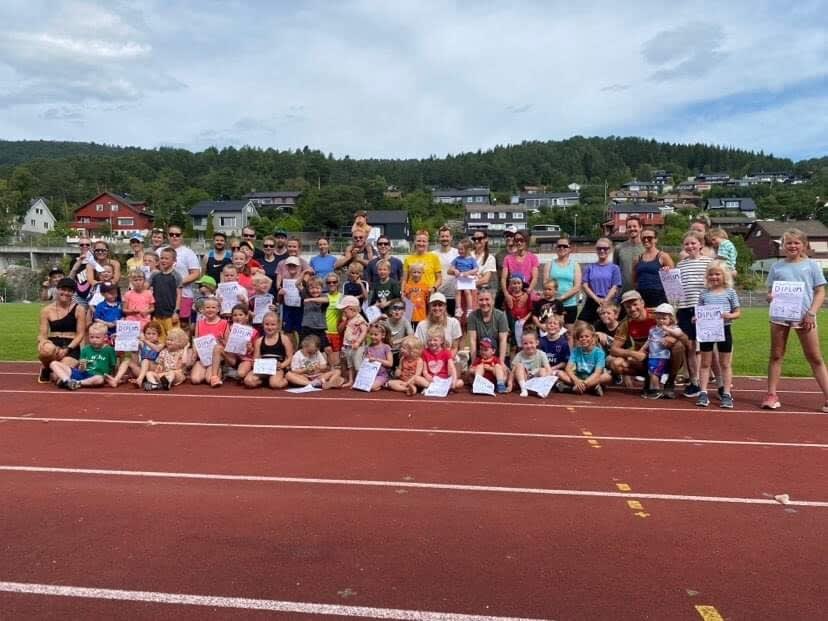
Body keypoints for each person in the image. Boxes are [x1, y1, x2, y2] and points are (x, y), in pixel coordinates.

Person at [763, 228, 828, 412]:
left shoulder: (812, 266)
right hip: (780, 316)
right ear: (783, 246)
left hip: (805, 316)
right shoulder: (777, 267)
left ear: (804, 245)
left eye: (796, 243)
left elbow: (820, 291)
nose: (792, 246)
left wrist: (811, 312)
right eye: (788, 243)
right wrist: (770, 297)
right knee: (776, 355)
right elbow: (770, 291)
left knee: (815, 357)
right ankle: (771, 395)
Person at [609, 290, 685, 398]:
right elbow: (613, 349)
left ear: (642, 303)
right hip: (644, 359)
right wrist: (633, 354)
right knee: (616, 364)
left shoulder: (657, 315)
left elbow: (684, 335)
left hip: (664, 357)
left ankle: (670, 382)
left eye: (635, 304)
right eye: (628, 306)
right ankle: (649, 379)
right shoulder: (626, 323)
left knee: (679, 345)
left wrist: (674, 337)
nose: (632, 309)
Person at [696, 262, 741, 408]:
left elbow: (738, 313)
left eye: (717, 274)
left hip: (724, 330)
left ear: (724, 276)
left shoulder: (730, 292)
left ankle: (726, 393)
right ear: (707, 276)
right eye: (711, 274)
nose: (714, 277)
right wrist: (696, 318)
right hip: (707, 332)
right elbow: (699, 311)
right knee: (705, 363)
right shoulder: (704, 293)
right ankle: (703, 392)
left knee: (725, 364)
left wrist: (730, 315)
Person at [676, 232, 714, 398]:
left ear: (700, 245)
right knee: (689, 347)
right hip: (684, 308)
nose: (690, 247)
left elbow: (715, 283)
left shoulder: (709, 262)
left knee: (706, 348)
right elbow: (675, 289)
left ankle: (718, 382)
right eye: (687, 244)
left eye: (693, 243)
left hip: (704, 309)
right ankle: (694, 381)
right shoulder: (680, 265)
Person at [36, 278, 87, 382]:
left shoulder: (79, 309)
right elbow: (43, 334)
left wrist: (68, 349)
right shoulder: (46, 310)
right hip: (54, 343)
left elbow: (80, 334)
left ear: (73, 293)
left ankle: (49, 371)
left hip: (72, 345)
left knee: (59, 374)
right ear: (57, 290)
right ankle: (47, 366)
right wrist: (43, 343)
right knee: (47, 349)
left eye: (70, 291)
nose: (66, 293)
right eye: (63, 289)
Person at [640, 303, 690, 400]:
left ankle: (656, 390)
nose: (661, 321)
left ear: (671, 319)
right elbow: (649, 340)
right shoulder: (653, 329)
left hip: (662, 356)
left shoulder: (672, 328)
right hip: (652, 355)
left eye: (664, 318)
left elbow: (680, 334)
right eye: (658, 318)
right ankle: (653, 388)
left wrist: (668, 330)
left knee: (654, 373)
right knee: (652, 373)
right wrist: (642, 349)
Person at [50, 321, 116, 390]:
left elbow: (113, 366)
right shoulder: (85, 349)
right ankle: (67, 381)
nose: (94, 340)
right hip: (83, 374)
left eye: (97, 337)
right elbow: (81, 370)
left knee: (99, 379)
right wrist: (82, 366)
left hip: (96, 376)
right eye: (92, 337)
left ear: (105, 337)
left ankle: (77, 383)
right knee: (53, 363)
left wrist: (112, 378)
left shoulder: (109, 350)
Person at [558, 322, 611, 396]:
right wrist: (576, 380)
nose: (584, 339)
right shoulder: (576, 351)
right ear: (578, 339)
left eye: (587, 336)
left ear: (593, 337)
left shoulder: (599, 353)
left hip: (592, 378)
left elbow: (597, 373)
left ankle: (572, 389)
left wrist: (584, 383)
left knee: (607, 377)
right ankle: (592, 388)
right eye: (581, 337)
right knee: (560, 373)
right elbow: (568, 369)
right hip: (578, 378)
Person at [244, 311, 294, 390]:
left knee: (275, 384)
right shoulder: (259, 341)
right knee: (248, 381)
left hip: (278, 368)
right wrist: (255, 364)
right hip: (263, 368)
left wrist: (282, 365)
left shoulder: (284, 338)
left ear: (278, 325)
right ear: (263, 325)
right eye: (267, 324)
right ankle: (265, 381)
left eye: (273, 325)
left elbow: (290, 357)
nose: (269, 327)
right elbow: (256, 357)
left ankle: (286, 380)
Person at [167, 225, 201, 330]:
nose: (174, 237)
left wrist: (178, 283)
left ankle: (185, 345)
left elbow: (196, 273)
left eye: (177, 235)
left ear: (182, 237)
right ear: (167, 236)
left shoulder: (188, 253)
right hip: (164, 294)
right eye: (171, 234)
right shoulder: (160, 251)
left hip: (184, 294)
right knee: (167, 322)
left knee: (183, 324)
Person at [579, 238, 621, 324]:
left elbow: (615, 286)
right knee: (581, 325)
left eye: (605, 248)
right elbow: (585, 285)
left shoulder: (614, 268)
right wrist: (596, 299)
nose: (602, 250)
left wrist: (606, 300)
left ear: (610, 249)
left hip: (609, 302)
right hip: (592, 302)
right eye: (599, 248)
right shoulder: (589, 267)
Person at [189, 297, 229, 387]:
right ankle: (206, 371)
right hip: (202, 359)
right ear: (203, 309)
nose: (210, 310)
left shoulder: (224, 323)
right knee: (195, 380)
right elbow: (196, 340)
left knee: (208, 379)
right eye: (207, 307)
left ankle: (218, 371)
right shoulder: (199, 323)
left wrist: (222, 341)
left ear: (218, 309)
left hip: (216, 359)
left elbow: (228, 344)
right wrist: (194, 353)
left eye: (213, 307)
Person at [466, 288, 509, 367]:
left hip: (496, 356)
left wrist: (501, 362)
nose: (484, 303)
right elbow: (473, 341)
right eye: (481, 300)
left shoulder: (500, 316)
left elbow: (503, 340)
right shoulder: (473, 316)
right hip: (480, 356)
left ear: (493, 301)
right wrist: (474, 362)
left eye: (487, 299)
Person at [545, 236, 582, 328]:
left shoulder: (575, 265)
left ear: (570, 249)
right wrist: (555, 300)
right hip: (552, 305)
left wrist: (561, 298)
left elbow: (577, 286)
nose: (562, 248)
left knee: (569, 333)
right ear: (556, 248)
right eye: (559, 246)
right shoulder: (549, 264)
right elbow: (545, 284)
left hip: (570, 305)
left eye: (565, 246)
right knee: (552, 331)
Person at [632, 229, 674, 307]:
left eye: (649, 237)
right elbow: (634, 281)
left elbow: (673, 280)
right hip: (641, 297)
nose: (646, 240)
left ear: (656, 239)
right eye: (643, 238)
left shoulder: (663, 256)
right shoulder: (637, 259)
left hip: (659, 296)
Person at [149, 247, 182, 339]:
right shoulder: (155, 275)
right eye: (162, 258)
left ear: (174, 260)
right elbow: (146, 288)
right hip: (157, 314)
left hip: (170, 315)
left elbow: (179, 295)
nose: (163, 260)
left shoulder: (176, 276)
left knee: (174, 338)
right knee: (158, 339)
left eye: (167, 258)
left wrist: (176, 312)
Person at [507, 329, 551, 397]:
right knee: (519, 366)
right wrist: (510, 383)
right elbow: (513, 371)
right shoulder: (519, 355)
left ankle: (540, 389)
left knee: (543, 370)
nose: (529, 346)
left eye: (531, 343)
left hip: (536, 380)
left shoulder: (542, 354)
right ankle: (524, 389)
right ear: (522, 344)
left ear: (537, 343)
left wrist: (546, 382)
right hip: (524, 379)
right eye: (525, 343)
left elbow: (548, 369)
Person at [338, 295, 369, 388]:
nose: (344, 313)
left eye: (345, 311)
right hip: (348, 345)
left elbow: (364, 331)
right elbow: (340, 330)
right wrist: (344, 320)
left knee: (357, 364)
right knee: (350, 364)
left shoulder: (359, 319)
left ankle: (359, 381)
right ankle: (351, 380)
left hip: (357, 346)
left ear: (352, 309)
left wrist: (358, 342)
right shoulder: (348, 319)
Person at [421, 326, 464, 392]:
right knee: (417, 379)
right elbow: (424, 370)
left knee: (460, 382)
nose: (432, 342)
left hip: (444, 379)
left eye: (435, 340)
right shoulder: (425, 352)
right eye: (430, 340)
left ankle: (438, 388)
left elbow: (452, 368)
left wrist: (454, 380)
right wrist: (427, 375)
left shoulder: (446, 352)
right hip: (431, 380)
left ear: (441, 341)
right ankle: (436, 388)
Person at [449, 238, 479, 317]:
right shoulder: (457, 259)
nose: (460, 251)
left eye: (462, 249)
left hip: (468, 279)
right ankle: (458, 308)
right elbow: (451, 268)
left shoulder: (472, 259)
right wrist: (455, 270)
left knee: (467, 292)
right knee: (457, 292)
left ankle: (469, 309)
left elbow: (476, 269)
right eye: (459, 249)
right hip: (460, 278)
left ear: (468, 250)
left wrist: (468, 272)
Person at [613, 215, 643, 293]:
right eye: (629, 227)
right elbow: (615, 272)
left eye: (634, 226)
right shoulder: (618, 248)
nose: (632, 229)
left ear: (640, 227)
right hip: (623, 293)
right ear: (626, 229)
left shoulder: (646, 248)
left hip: (643, 292)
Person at [360, 322, 393, 391]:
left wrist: (376, 359)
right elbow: (364, 362)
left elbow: (390, 363)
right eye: (371, 334)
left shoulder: (386, 347)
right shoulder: (368, 347)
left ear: (383, 335)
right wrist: (366, 359)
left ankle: (383, 383)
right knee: (361, 386)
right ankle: (380, 385)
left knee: (370, 387)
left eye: (376, 335)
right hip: (370, 374)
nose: (372, 336)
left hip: (382, 375)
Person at [300, 277, 330, 352]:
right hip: (307, 327)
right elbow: (297, 284)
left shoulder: (324, 296)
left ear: (322, 288)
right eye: (312, 288)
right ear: (308, 289)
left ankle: (327, 363)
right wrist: (304, 273)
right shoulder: (306, 295)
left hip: (320, 328)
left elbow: (327, 300)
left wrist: (310, 299)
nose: (315, 290)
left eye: (317, 288)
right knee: (305, 348)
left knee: (326, 349)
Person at [435, 226, 459, 316]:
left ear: (451, 237)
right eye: (442, 236)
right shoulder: (433, 254)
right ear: (439, 238)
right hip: (438, 294)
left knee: (454, 323)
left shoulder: (458, 253)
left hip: (455, 295)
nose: (445, 238)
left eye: (447, 236)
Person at [384, 299, 413, 368]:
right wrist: (378, 318)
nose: (397, 312)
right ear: (390, 311)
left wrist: (397, 341)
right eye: (394, 309)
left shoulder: (405, 321)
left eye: (400, 309)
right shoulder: (385, 322)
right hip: (387, 352)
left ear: (403, 311)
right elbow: (372, 331)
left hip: (400, 352)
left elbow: (411, 335)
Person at [323, 273, 343, 367]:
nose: (331, 284)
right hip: (324, 331)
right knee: (324, 362)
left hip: (336, 332)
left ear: (338, 283)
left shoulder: (342, 297)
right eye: (329, 282)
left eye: (334, 282)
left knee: (336, 362)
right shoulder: (323, 296)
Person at [470, 230, 497, 294]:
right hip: (467, 292)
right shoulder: (468, 255)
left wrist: (468, 285)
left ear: (486, 239)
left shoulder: (490, 258)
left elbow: (485, 279)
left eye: (479, 239)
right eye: (474, 239)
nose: (476, 241)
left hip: (482, 292)